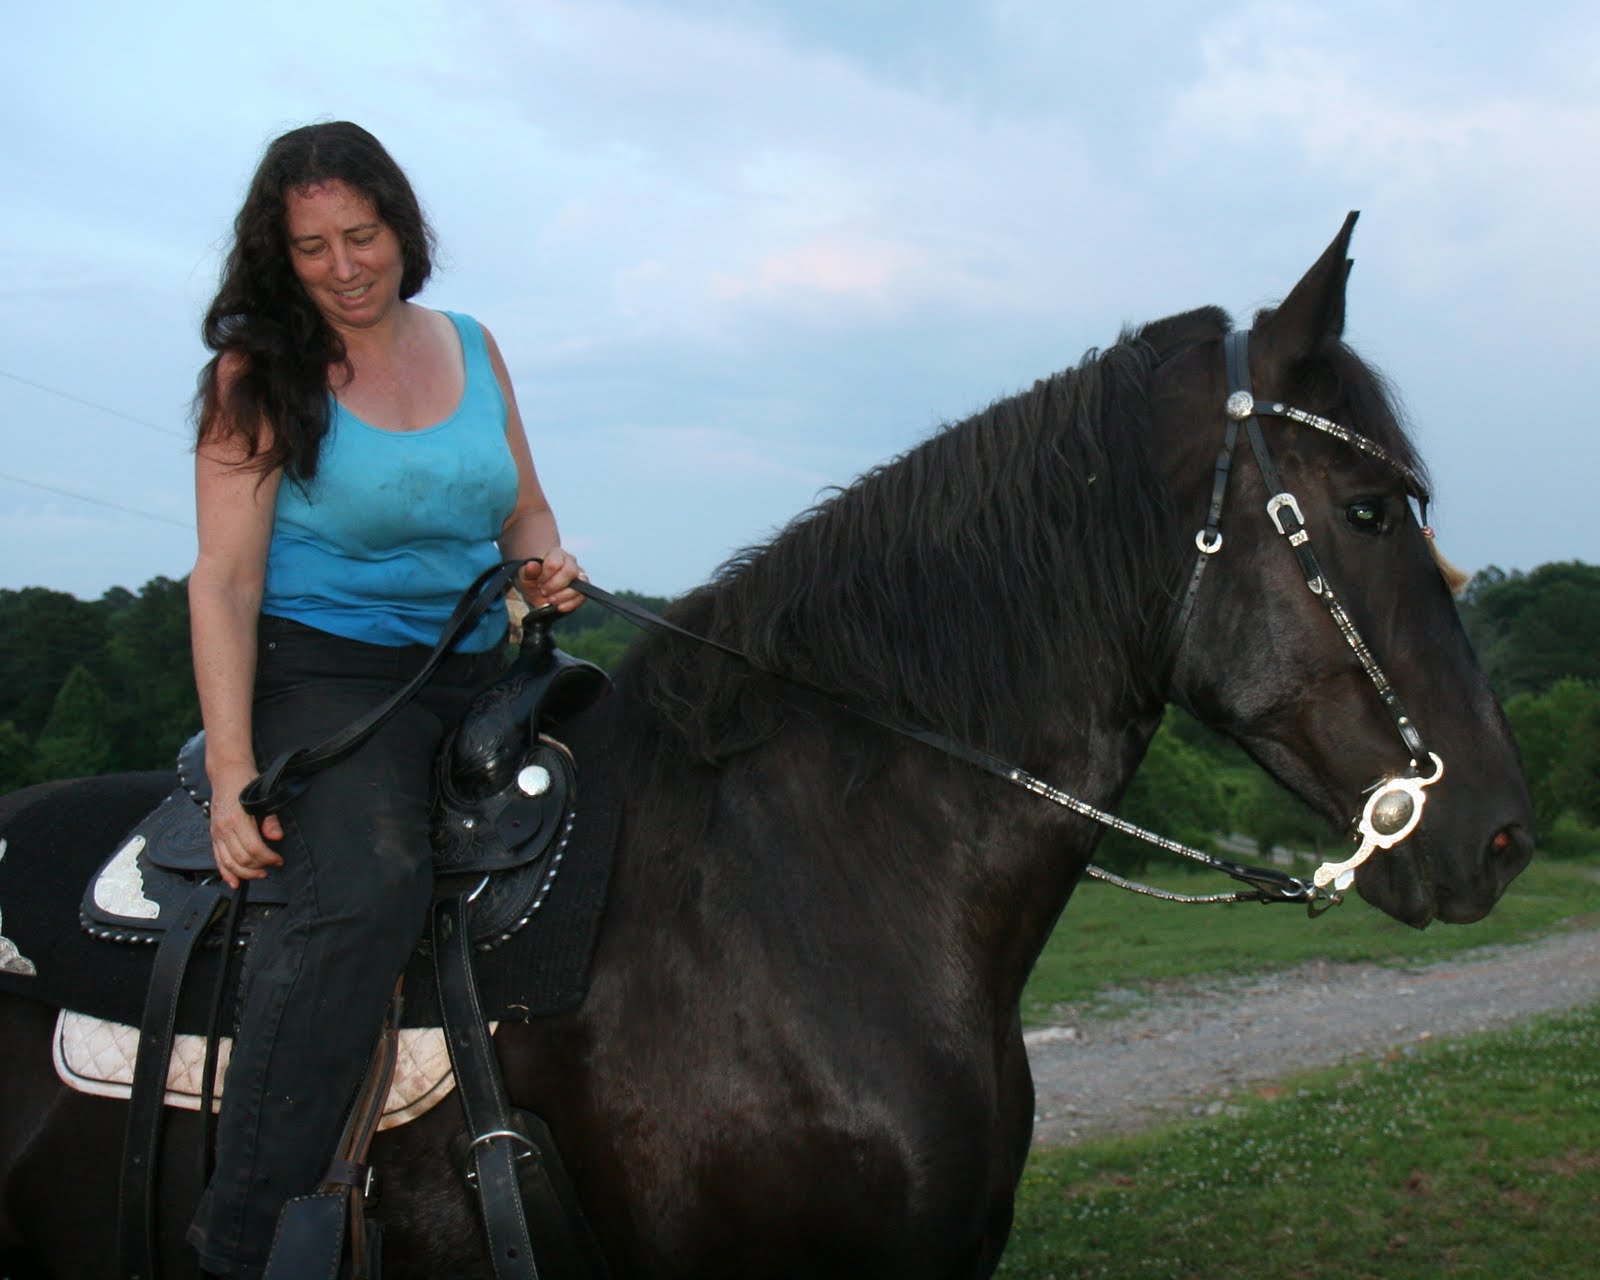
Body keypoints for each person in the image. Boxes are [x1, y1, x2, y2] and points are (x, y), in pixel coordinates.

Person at [185, 120, 584, 1278]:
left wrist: (543, 565)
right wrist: (229, 771)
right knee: (368, 888)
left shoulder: (472, 343)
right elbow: (224, 579)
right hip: (329, 674)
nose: (343, 265)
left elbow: (525, 511)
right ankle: (245, 1234)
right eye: (311, 247)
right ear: (281, 253)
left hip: (477, 662)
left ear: (403, 231)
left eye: (361, 235)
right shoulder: (257, 373)